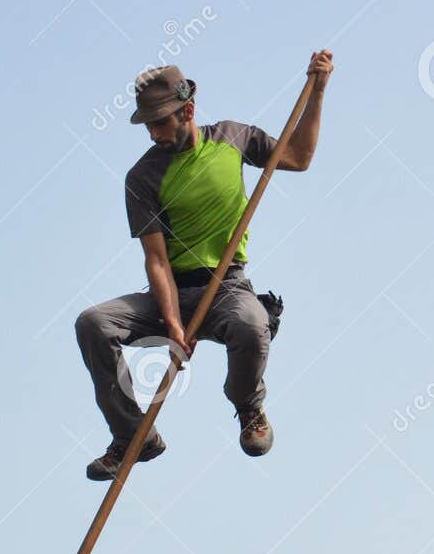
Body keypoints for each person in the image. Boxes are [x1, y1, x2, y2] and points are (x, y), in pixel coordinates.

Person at [74, 51, 333, 480]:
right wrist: (174, 325)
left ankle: (248, 406)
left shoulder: (234, 139)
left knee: (252, 326)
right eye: (149, 124)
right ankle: (133, 435)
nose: (154, 133)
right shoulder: (143, 177)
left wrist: (318, 90)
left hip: (227, 287)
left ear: (188, 111)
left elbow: (299, 157)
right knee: (93, 323)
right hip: (169, 293)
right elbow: (156, 260)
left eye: (161, 123)